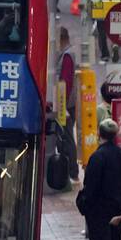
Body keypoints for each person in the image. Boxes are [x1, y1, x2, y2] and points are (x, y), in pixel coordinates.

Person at [56, 27, 79, 179]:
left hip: (66, 104)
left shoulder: (67, 56)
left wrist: (62, 107)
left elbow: (65, 82)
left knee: (67, 137)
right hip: (67, 103)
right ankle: (70, 169)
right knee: (65, 136)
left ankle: (71, 170)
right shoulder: (68, 54)